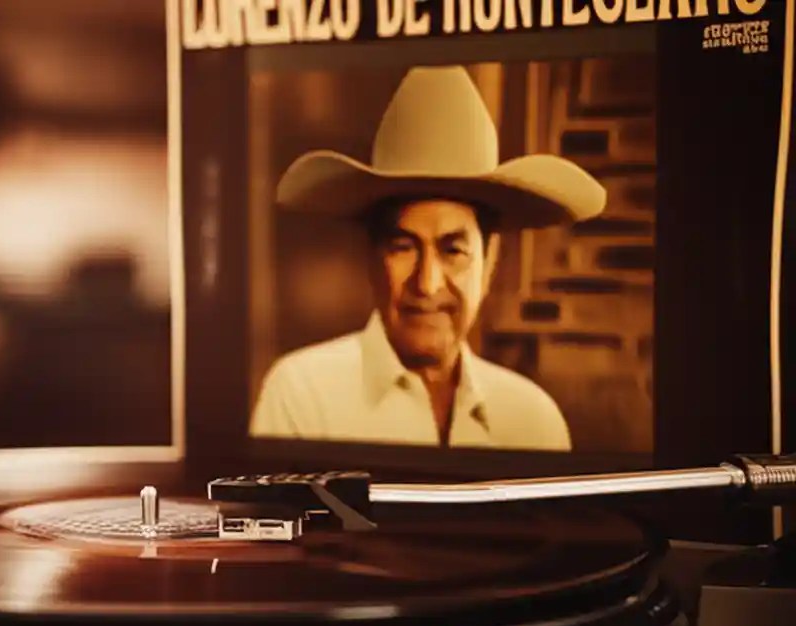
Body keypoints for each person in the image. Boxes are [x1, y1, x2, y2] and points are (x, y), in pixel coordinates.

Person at [251, 65, 607, 450]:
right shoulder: (303, 397)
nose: (428, 283)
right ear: (372, 261)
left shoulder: (533, 420)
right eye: (403, 247)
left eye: (453, 250)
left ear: (488, 265)